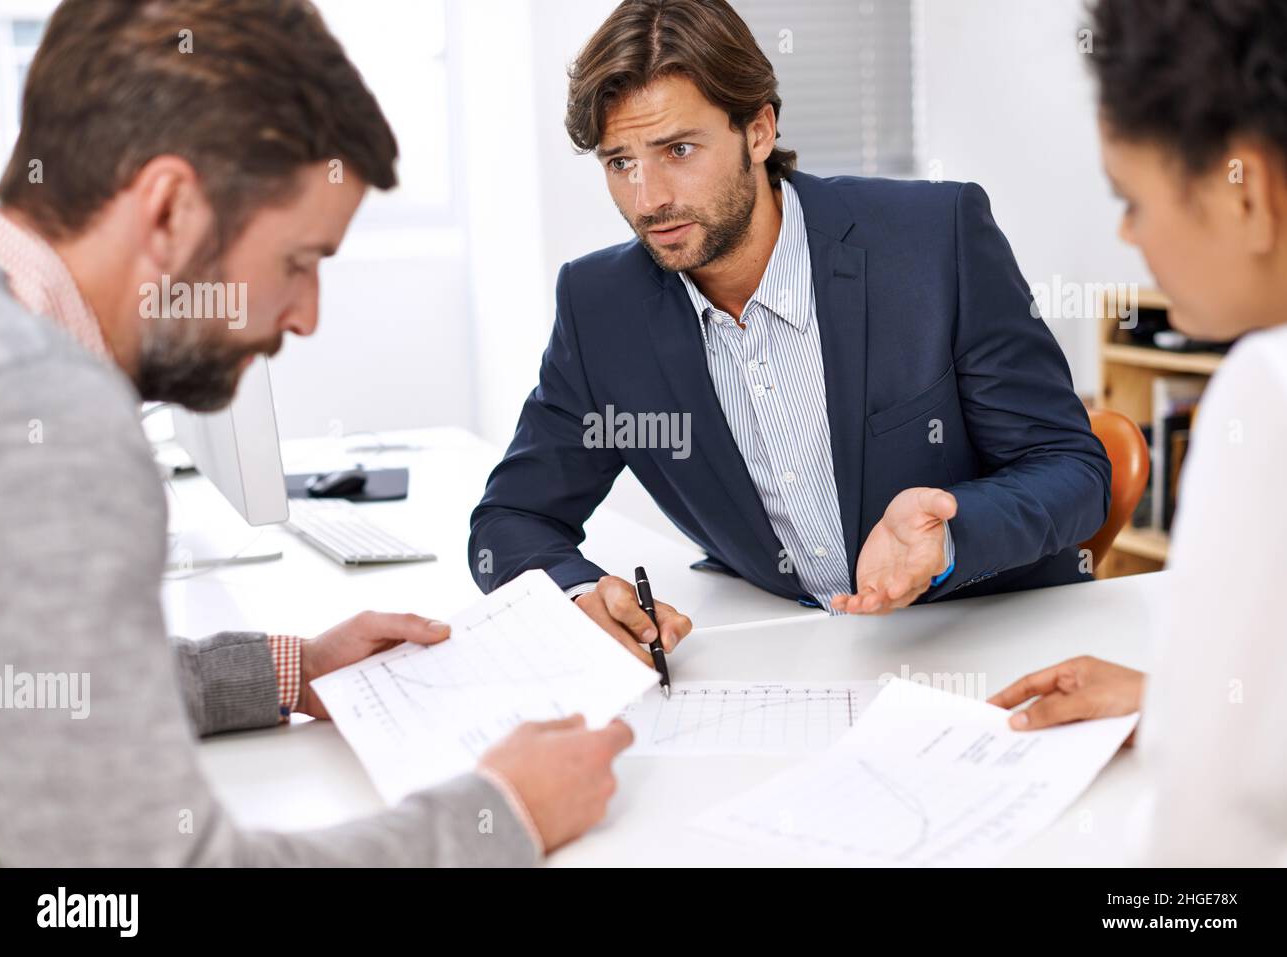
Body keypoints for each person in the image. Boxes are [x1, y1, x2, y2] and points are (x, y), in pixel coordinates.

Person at [0, 0, 630, 867]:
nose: (308, 317)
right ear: (170, 209)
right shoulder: (52, 416)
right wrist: (501, 813)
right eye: (298, 263)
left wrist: (294, 668)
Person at [469, 0, 1111, 665]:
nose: (647, 198)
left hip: (994, 644)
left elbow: (1074, 470)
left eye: (678, 150)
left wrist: (950, 535)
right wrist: (576, 594)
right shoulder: (600, 308)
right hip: (795, 658)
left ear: (758, 131)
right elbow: (511, 518)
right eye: (618, 162)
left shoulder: (934, 241)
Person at [989, 0, 1287, 865]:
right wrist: (1186, 700)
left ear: (1249, 191)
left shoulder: (1264, 392)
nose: (1127, 233)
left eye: (1132, 197)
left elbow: (1208, 850)